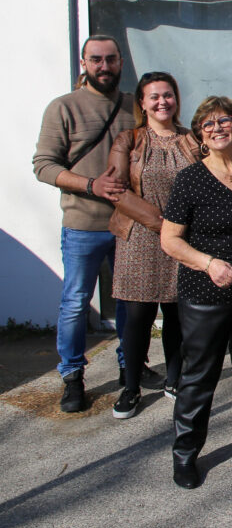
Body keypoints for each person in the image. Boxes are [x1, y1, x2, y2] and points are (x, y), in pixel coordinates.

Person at [161, 96, 232, 490]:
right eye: (207, 124)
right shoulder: (190, 180)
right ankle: (185, 453)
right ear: (200, 136)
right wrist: (208, 263)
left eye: (224, 120)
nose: (217, 128)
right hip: (204, 293)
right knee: (200, 375)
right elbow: (170, 240)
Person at [32, 34, 134, 413]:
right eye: (96, 60)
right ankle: (72, 376)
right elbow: (44, 166)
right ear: (84, 63)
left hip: (128, 224)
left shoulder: (134, 106)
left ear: (120, 61)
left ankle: (130, 366)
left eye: (110, 59)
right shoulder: (63, 107)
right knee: (76, 302)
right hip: (82, 224)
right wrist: (92, 185)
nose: (104, 66)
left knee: (129, 301)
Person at [107, 71, 199, 418]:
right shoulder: (128, 140)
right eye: (154, 96)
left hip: (183, 239)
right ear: (142, 103)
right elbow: (116, 189)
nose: (163, 102)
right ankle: (130, 387)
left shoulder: (191, 139)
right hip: (140, 238)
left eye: (168, 95)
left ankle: (174, 379)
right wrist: (163, 225)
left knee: (176, 314)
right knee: (138, 318)